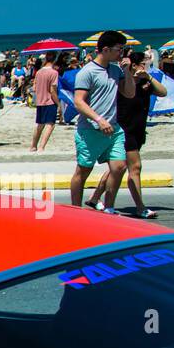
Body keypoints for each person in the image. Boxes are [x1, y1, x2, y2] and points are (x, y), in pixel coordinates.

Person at [89, 50, 165, 218]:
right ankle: (140, 207)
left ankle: (94, 199)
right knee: (135, 168)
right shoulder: (122, 83)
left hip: (138, 131)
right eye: (143, 64)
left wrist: (149, 77)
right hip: (123, 131)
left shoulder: (146, 83)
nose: (145, 67)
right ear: (134, 66)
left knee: (117, 168)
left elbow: (163, 92)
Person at [68, 31, 135, 212]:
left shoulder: (116, 70)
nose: (122, 53)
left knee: (119, 167)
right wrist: (99, 119)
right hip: (90, 130)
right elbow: (78, 102)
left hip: (114, 129)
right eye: (119, 49)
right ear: (105, 50)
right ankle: (75, 210)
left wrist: (127, 71)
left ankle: (109, 207)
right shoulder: (87, 72)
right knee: (82, 172)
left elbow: (129, 93)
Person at [30, 52, 60, 152]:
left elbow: (34, 87)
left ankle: (33, 146)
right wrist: (59, 104)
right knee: (50, 124)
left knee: (40, 124)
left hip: (40, 101)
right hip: (49, 101)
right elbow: (53, 90)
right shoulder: (54, 72)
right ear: (54, 60)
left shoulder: (39, 72)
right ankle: (41, 147)